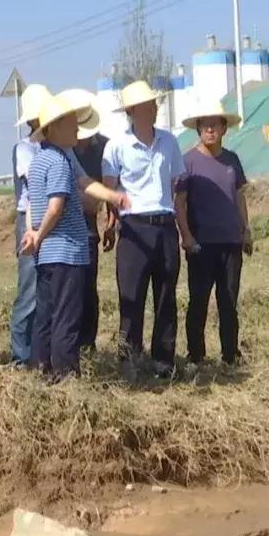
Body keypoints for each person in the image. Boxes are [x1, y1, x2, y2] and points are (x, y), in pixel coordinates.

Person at [22, 93, 127, 380]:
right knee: (67, 316)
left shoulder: (47, 158)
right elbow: (55, 207)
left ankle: (40, 367)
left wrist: (113, 197)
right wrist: (40, 235)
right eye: (71, 123)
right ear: (54, 128)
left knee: (46, 313)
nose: (78, 129)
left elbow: (83, 183)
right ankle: (65, 374)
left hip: (47, 256)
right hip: (66, 251)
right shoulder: (57, 161)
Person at [101, 81, 186, 379]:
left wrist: (182, 229)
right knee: (131, 297)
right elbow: (109, 192)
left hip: (164, 225)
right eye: (148, 105)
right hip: (134, 227)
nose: (154, 108)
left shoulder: (169, 142)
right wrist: (112, 225)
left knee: (165, 297)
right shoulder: (116, 146)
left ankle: (164, 362)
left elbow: (178, 185)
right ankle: (130, 361)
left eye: (154, 104)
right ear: (132, 111)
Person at [174, 101, 252, 368]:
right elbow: (180, 203)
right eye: (204, 124)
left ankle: (230, 355)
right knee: (199, 301)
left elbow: (240, 197)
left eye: (215, 124)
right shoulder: (187, 162)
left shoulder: (232, 160)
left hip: (230, 241)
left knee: (229, 301)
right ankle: (196, 356)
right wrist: (186, 236)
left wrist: (246, 229)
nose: (210, 129)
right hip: (201, 245)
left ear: (224, 128)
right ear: (198, 129)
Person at [60, 90, 113, 351]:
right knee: (69, 291)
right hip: (63, 229)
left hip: (90, 230)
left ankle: (87, 344)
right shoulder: (61, 150)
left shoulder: (105, 147)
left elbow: (111, 185)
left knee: (88, 288)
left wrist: (111, 215)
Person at [9, 84, 53, 366]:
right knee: (29, 289)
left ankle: (42, 353)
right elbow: (37, 177)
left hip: (52, 221)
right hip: (29, 221)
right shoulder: (24, 149)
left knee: (49, 289)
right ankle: (21, 356)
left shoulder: (59, 148)